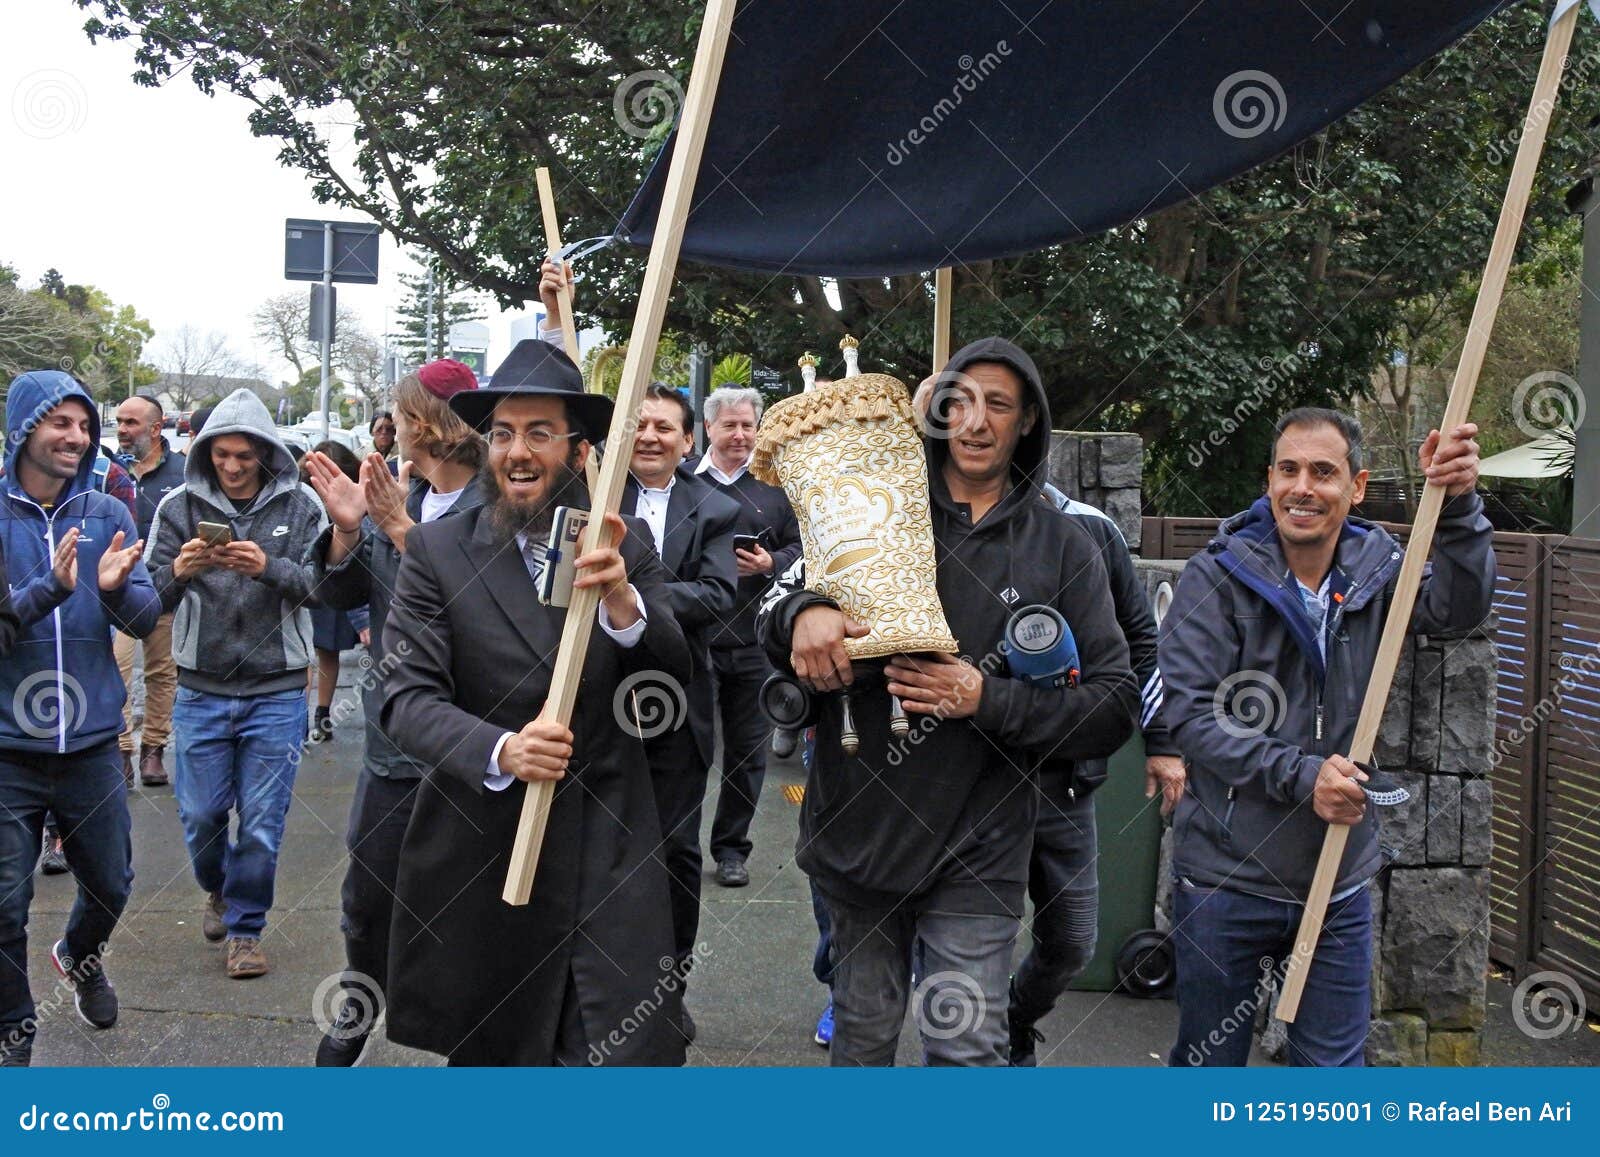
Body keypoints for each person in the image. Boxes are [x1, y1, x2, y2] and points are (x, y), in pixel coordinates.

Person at [757, 338, 1138, 1065]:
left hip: (982, 841)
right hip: (857, 831)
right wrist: (802, 610)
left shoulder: (1067, 545)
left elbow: (1115, 705)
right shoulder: (869, 506)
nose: (975, 421)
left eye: (998, 404)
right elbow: (771, 606)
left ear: (1027, 420)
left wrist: (986, 697)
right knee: (863, 1040)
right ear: (936, 414)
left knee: (964, 1047)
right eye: (958, 401)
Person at [379, 338, 691, 1065]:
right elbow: (404, 696)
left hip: (610, 842)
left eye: (540, 433)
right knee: (502, 1056)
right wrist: (502, 749)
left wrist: (620, 595)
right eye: (503, 433)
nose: (518, 452)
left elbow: (672, 680)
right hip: (490, 849)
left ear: (580, 452)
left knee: (619, 1053)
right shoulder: (437, 551)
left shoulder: (623, 540)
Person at [1161, 407, 1492, 1067]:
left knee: (1332, 1085)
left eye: (1323, 472)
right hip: (1226, 878)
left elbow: (1458, 607)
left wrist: (1457, 508)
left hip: (1337, 879)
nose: (1302, 487)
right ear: (1269, 479)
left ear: (1358, 485)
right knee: (1206, 1074)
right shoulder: (1218, 576)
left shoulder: (1380, 571)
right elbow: (1193, 716)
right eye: (1288, 469)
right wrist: (1305, 775)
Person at [303, 356, 485, 1066]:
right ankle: (360, 997)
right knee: (369, 892)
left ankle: (461, 1031)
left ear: (428, 422)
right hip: (391, 745)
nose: (396, 427)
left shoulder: (493, 503)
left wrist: (402, 529)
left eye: (404, 414)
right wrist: (350, 530)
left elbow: (481, 605)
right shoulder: (395, 492)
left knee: (458, 905)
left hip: (467, 743)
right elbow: (340, 594)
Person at [0, 370, 160, 1067]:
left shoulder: (107, 513)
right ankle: (14, 1031)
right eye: (59, 422)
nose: (77, 435)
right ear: (22, 429)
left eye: (84, 424)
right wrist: (49, 590)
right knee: (3, 904)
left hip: (93, 740)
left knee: (113, 881)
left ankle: (81, 954)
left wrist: (117, 590)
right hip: (7, 748)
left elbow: (149, 617)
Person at [146, 388, 328, 980]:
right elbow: (147, 599)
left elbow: (326, 588)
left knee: (263, 821)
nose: (231, 466)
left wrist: (267, 568)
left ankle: (246, 930)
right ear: (203, 453)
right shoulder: (176, 506)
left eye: (243, 456)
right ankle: (218, 889)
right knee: (200, 816)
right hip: (199, 688)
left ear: (266, 453)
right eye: (220, 455)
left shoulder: (301, 507)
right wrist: (180, 570)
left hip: (276, 689)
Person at [622, 382, 738, 1035]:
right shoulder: (596, 497)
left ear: (688, 440)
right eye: (640, 425)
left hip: (680, 704)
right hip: (599, 704)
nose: (651, 436)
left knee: (674, 850)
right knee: (603, 845)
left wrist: (631, 594)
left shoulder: (716, 509)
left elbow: (718, 594)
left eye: (665, 427)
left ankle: (670, 988)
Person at [695, 386, 802, 888]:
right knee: (686, 748)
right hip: (694, 636)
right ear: (708, 428)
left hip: (754, 640)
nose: (740, 435)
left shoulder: (776, 488)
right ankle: (676, 847)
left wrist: (770, 563)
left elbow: (805, 549)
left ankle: (732, 850)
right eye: (730, 425)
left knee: (747, 752)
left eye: (747, 426)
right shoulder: (683, 483)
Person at [112, 392, 186, 788]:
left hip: (165, 590)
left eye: (131, 423)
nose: (122, 430)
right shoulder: (107, 471)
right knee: (116, 670)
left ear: (156, 428)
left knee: (162, 673)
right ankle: (121, 752)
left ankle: (153, 750)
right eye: (120, 422)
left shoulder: (185, 472)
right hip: (117, 593)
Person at [302, 440, 364, 744]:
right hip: (305, 580)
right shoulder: (302, 496)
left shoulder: (356, 498)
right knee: (305, 650)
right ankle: (302, 714)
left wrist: (362, 618)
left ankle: (321, 714)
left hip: (334, 583)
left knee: (327, 650)